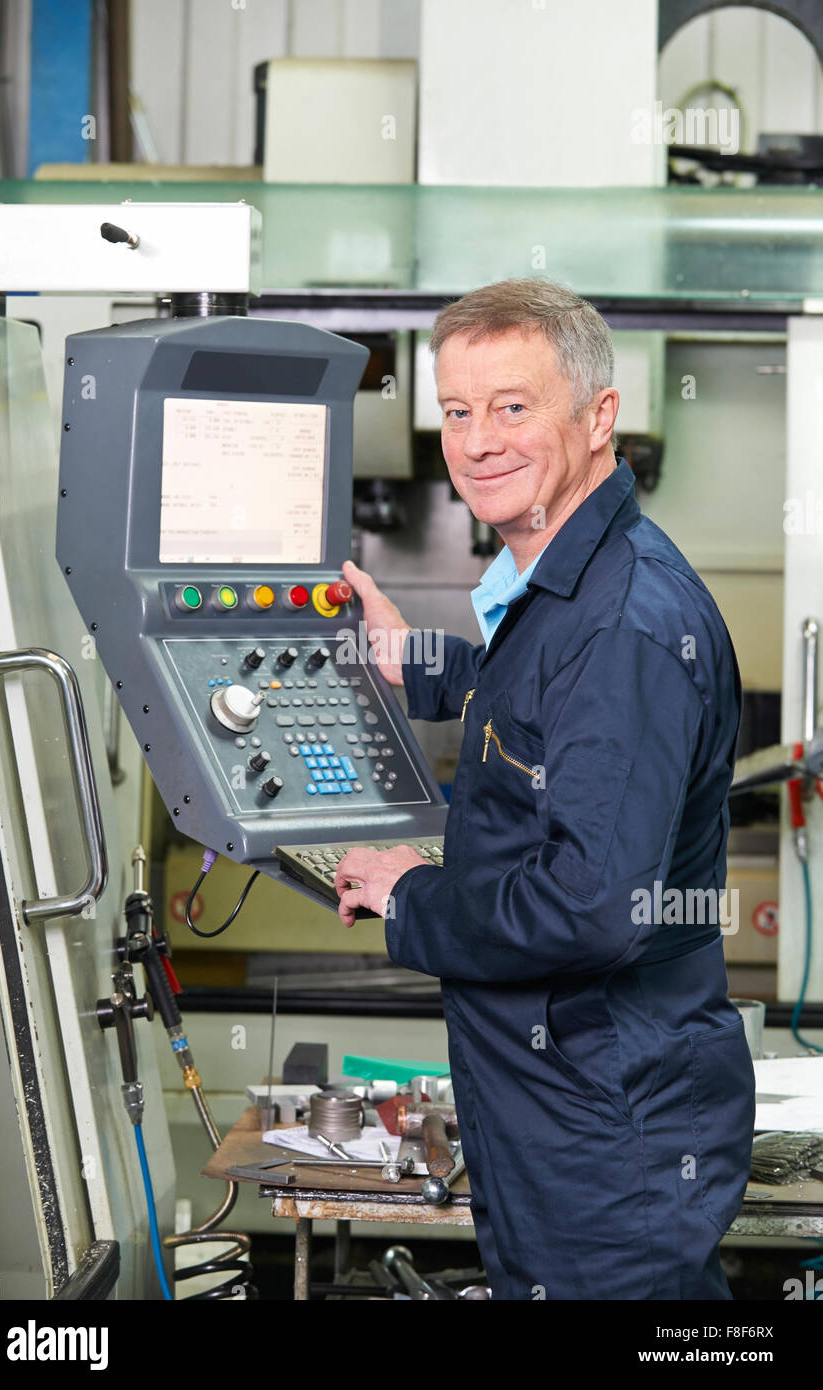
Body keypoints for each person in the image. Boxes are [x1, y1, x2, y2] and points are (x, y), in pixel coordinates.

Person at [333, 277, 755, 1301]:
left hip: (606, 1133)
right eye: (457, 411)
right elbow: (532, 701)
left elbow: (589, 907)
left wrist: (408, 894)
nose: (477, 443)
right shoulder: (576, 585)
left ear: (598, 415)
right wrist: (415, 661)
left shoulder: (620, 624)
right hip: (560, 1110)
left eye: (512, 407)